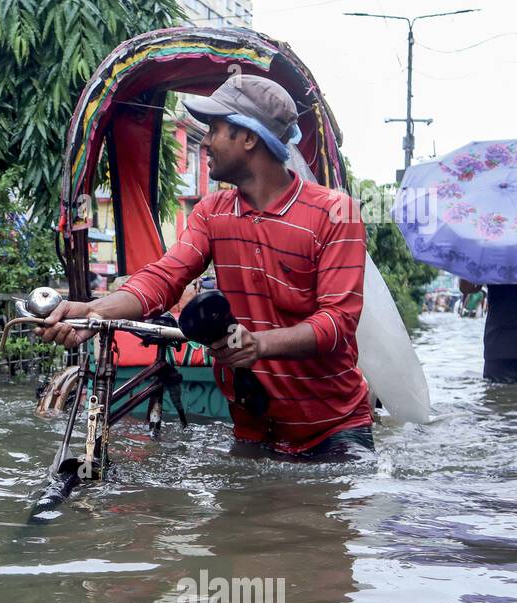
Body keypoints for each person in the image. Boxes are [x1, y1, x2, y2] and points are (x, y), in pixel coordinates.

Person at [41, 74, 373, 460]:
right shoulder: (212, 212)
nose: (206, 141)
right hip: (253, 426)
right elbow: (165, 278)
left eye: (215, 129)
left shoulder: (337, 213)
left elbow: (337, 322)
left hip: (333, 428)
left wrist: (258, 345)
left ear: (248, 138)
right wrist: (93, 312)